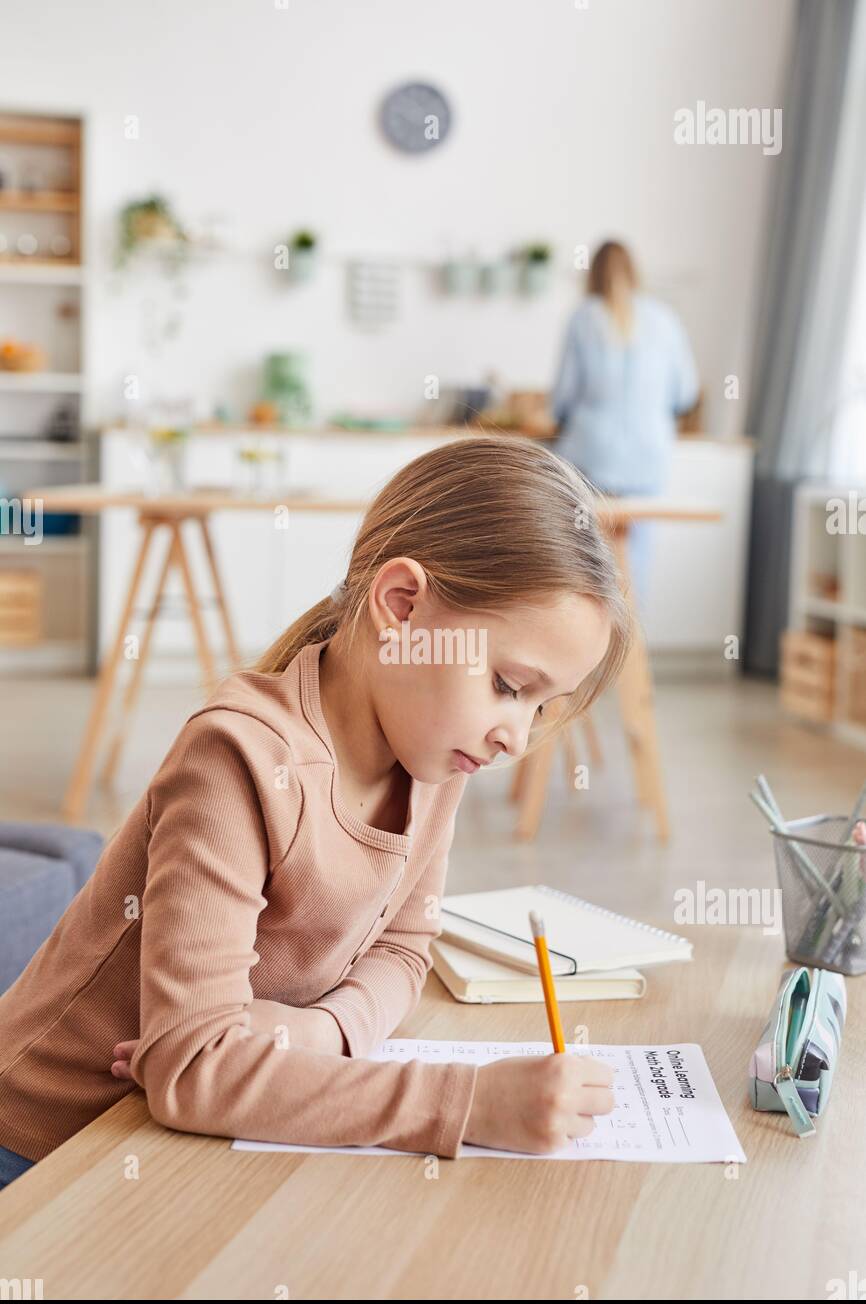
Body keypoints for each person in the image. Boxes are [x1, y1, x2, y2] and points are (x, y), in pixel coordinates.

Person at [0, 437, 635, 1187]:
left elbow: (404, 949)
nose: (516, 737)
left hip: (187, 1143)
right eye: (506, 684)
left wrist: (324, 1029)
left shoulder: (434, 752)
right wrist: (467, 1104)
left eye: (540, 705)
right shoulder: (236, 758)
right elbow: (195, 1069)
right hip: (49, 1150)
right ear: (401, 608)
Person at [550, 240, 699, 614]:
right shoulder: (664, 319)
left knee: (582, 556)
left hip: (590, 457)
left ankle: (586, 653)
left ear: (593, 274)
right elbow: (686, 392)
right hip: (648, 458)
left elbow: (563, 398)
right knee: (636, 559)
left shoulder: (584, 318)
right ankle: (629, 649)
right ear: (635, 271)